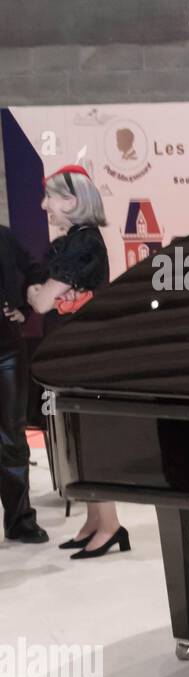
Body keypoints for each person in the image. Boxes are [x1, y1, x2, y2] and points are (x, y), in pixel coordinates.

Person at [22, 165, 126, 557]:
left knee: (89, 437)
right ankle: (97, 521)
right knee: (80, 438)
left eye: (50, 196)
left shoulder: (82, 244)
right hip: (73, 351)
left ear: (71, 200)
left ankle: (110, 525)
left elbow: (44, 300)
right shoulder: (76, 242)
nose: (43, 204)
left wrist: (36, 293)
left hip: (82, 353)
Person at [0, 226, 47, 543]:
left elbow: (35, 270)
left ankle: (19, 520)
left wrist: (25, 308)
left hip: (6, 350)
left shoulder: (2, 236)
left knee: (11, 435)